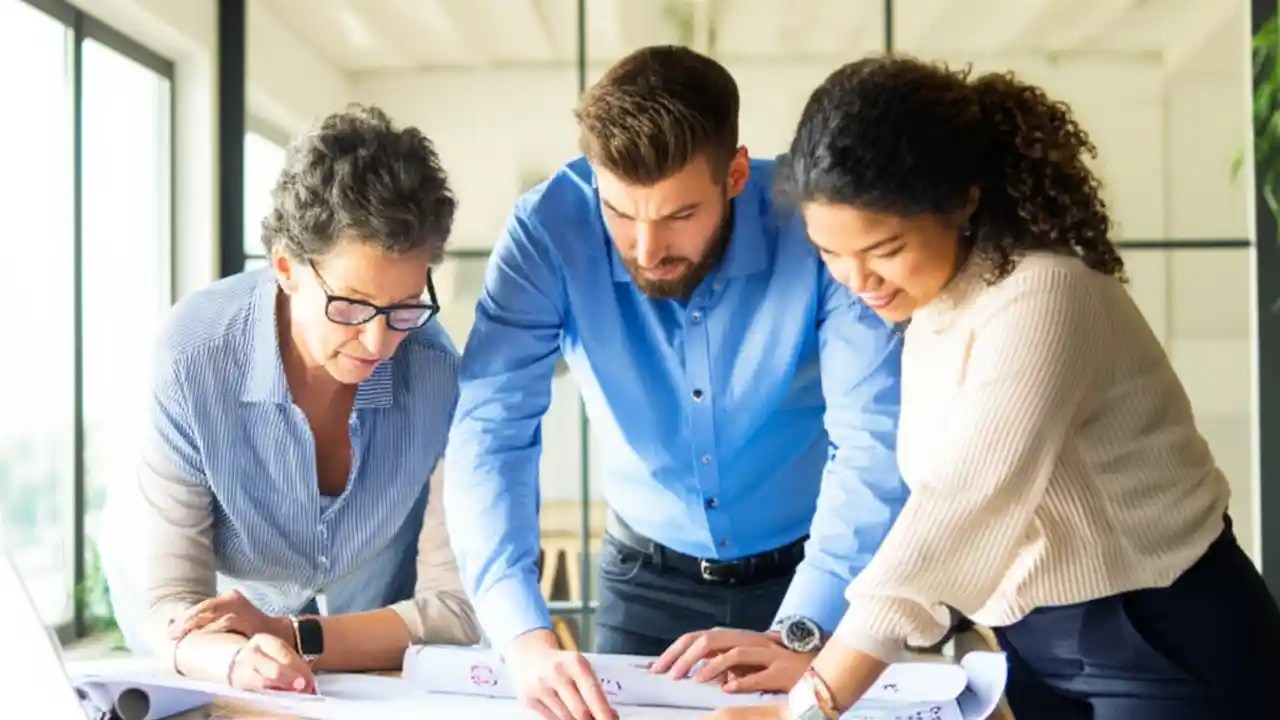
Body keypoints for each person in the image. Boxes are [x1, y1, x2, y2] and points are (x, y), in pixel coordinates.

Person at [707, 55, 1280, 720]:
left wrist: (811, 702)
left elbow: (960, 509)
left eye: (884, 248)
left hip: (1162, 640)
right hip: (1038, 655)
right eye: (831, 254)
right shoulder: (934, 308)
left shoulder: (1043, 296)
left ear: (963, 199)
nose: (857, 280)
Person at [444, 45, 905, 720]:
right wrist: (522, 638)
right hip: (644, 581)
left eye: (679, 216)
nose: (646, 249)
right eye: (620, 213)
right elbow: (490, 434)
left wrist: (808, 625)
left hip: (813, 574)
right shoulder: (546, 231)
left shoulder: (814, 228)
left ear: (737, 174)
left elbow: (872, 437)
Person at [99, 105, 480, 694]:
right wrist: (236, 659)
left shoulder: (435, 375)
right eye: (350, 305)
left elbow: (456, 608)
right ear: (285, 267)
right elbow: (171, 602)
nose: (379, 341)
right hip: (204, 645)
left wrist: (297, 636)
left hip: (357, 641)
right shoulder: (193, 358)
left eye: (404, 306)